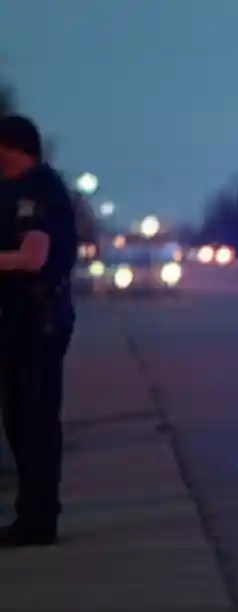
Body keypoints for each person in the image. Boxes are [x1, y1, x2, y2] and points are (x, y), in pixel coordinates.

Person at [0, 115, 78, 546]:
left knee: (35, 417)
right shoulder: (12, 190)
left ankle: (39, 517)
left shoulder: (41, 192)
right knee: (16, 417)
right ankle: (29, 513)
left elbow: (33, 259)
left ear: (14, 148)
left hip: (39, 318)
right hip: (15, 318)